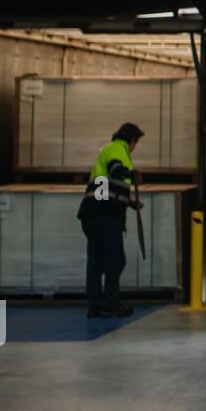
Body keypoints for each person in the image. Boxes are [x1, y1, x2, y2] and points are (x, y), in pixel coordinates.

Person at [77, 122, 144, 318]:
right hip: (106, 216)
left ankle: (95, 304)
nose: (134, 147)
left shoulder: (105, 149)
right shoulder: (118, 149)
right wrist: (130, 173)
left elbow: (106, 188)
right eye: (135, 142)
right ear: (131, 140)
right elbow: (115, 169)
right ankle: (111, 303)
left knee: (96, 260)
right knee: (116, 259)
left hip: (91, 213)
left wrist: (129, 202)